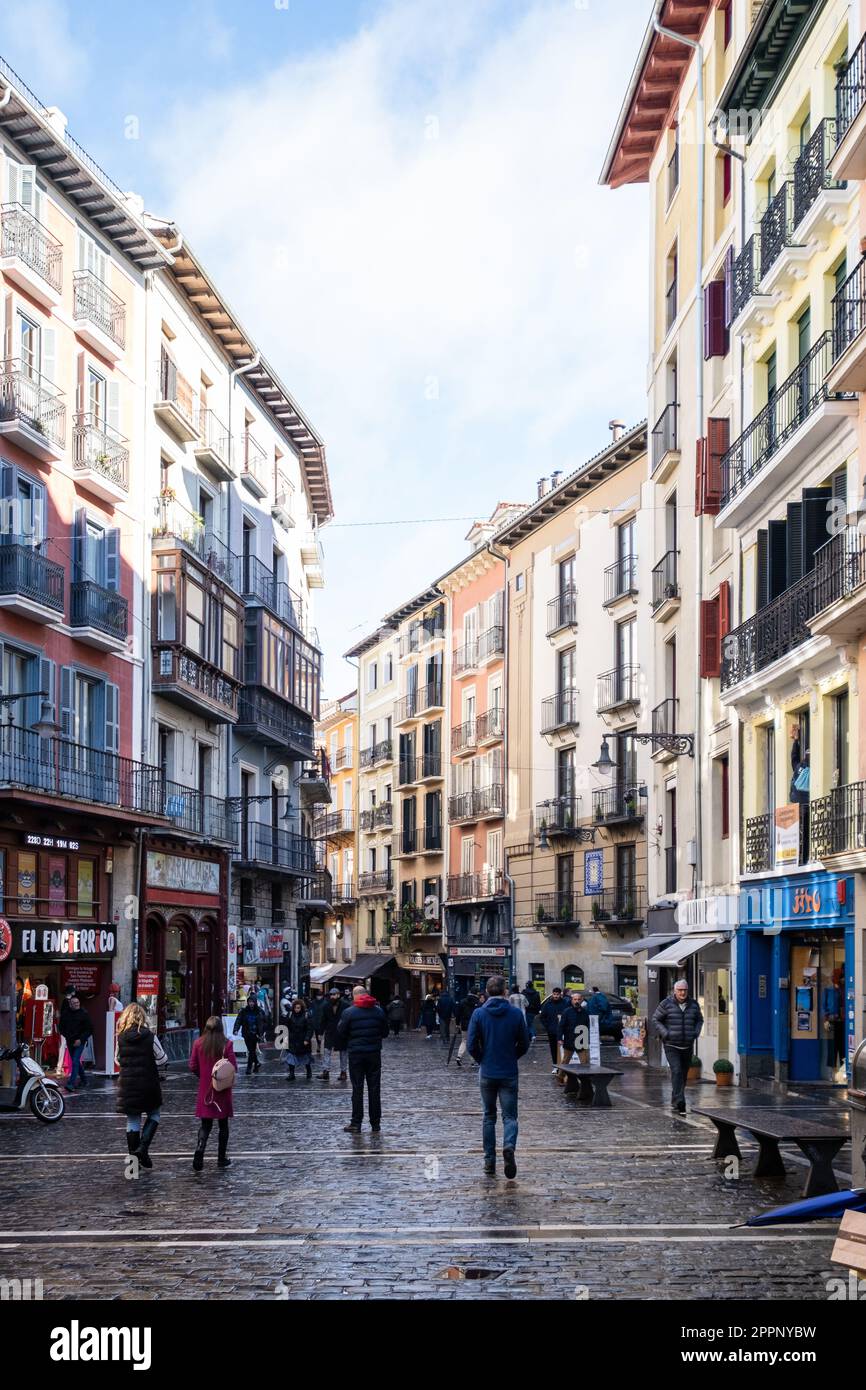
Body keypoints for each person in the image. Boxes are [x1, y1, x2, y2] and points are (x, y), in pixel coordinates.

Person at [466, 975, 529, 1178]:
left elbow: (471, 1045)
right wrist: (512, 1056)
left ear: (486, 991)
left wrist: (482, 1058)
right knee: (510, 1116)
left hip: (487, 1071)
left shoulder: (479, 1013)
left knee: (488, 1117)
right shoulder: (516, 1014)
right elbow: (524, 1042)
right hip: (508, 1070)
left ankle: (489, 1162)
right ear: (505, 992)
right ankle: (509, 1146)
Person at [116, 1003, 165, 1169]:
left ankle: (133, 1166)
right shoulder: (149, 1036)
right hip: (148, 1082)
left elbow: (117, 1059)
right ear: (142, 1017)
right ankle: (143, 1148)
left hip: (128, 1084)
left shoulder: (121, 1037)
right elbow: (163, 1058)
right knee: (154, 1113)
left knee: (132, 1120)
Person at [336, 984, 389, 1133]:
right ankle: (375, 1123)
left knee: (357, 1089)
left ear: (355, 996)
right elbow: (385, 1032)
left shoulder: (349, 1012)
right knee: (374, 1089)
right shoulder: (378, 1011)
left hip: (356, 1054)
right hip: (374, 1054)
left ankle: (356, 1123)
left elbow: (341, 1031)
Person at [190, 1015, 237, 1170]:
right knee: (223, 1124)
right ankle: (221, 1158)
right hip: (222, 1089)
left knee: (205, 1124)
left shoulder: (198, 1044)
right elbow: (233, 1067)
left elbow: (192, 1066)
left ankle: (200, 1150)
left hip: (206, 1089)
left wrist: (203, 1076)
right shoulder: (226, 1044)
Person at [652, 979, 704, 1114]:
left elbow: (700, 1020)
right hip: (671, 1045)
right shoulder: (666, 1003)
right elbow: (656, 1019)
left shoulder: (694, 1004)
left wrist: (695, 1032)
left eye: (685, 990)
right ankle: (680, 1101)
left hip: (687, 1045)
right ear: (675, 991)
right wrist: (665, 1033)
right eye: (680, 990)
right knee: (677, 1071)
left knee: (683, 1075)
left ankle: (675, 1099)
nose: (682, 992)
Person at [61, 995, 93, 1090]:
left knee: (75, 1061)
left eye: (78, 1003)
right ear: (70, 1004)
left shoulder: (84, 1014)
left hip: (80, 1041)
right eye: (74, 1003)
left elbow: (89, 1029)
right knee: (76, 1062)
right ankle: (84, 1080)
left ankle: (71, 1083)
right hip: (70, 1041)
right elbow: (61, 1028)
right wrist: (68, 1038)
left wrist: (81, 1039)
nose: (77, 1004)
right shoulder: (65, 1014)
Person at [233, 993, 266, 1074]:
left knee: (251, 1050)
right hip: (246, 1033)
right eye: (249, 1002)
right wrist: (236, 1029)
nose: (251, 1003)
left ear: (255, 1002)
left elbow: (265, 1022)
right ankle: (257, 1063)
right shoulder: (244, 1011)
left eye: (252, 1002)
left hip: (255, 1034)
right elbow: (239, 1020)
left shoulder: (260, 1011)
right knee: (250, 1049)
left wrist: (263, 1032)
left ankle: (249, 1068)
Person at [320, 988, 349, 1080]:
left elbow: (348, 1020)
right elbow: (323, 1020)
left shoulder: (345, 1006)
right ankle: (325, 1071)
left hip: (342, 1032)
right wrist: (321, 1032)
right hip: (330, 1032)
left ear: (338, 995)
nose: (332, 996)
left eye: (334, 994)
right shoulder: (326, 1006)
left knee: (343, 1053)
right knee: (327, 1051)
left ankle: (343, 1072)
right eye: (331, 995)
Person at [559, 992, 589, 1074]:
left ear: (582, 1000)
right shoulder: (567, 1012)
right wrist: (559, 1038)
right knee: (565, 1061)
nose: (577, 1001)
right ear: (572, 1000)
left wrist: (586, 1040)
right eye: (575, 999)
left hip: (581, 1040)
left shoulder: (585, 1012)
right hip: (569, 1039)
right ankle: (560, 1077)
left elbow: (587, 1026)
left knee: (585, 1062)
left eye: (579, 999)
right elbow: (561, 1026)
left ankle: (584, 1079)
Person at [539, 987, 567, 1073]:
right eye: (554, 994)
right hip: (552, 1030)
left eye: (557, 994)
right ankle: (555, 1066)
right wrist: (548, 1026)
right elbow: (542, 1017)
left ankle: (564, 1065)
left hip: (563, 1031)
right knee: (553, 1049)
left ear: (560, 994)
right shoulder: (548, 1004)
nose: (556, 996)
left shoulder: (565, 1003)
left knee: (564, 1049)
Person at [285, 997, 314, 1080]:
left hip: (302, 1039)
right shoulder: (290, 1015)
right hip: (293, 1039)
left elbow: (309, 1028)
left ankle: (308, 1071)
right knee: (291, 1056)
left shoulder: (306, 1015)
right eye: (295, 1008)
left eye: (298, 1008)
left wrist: (307, 1039)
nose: (296, 1009)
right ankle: (291, 1074)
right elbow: (286, 1027)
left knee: (305, 1057)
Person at [455, 990, 480, 1068]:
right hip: (475, 1025)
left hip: (464, 1025)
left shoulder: (462, 1001)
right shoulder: (477, 1002)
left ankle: (459, 1056)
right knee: (474, 1042)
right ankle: (473, 1061)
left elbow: (458, 1014)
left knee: (464, 1041)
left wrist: (457, 1023)